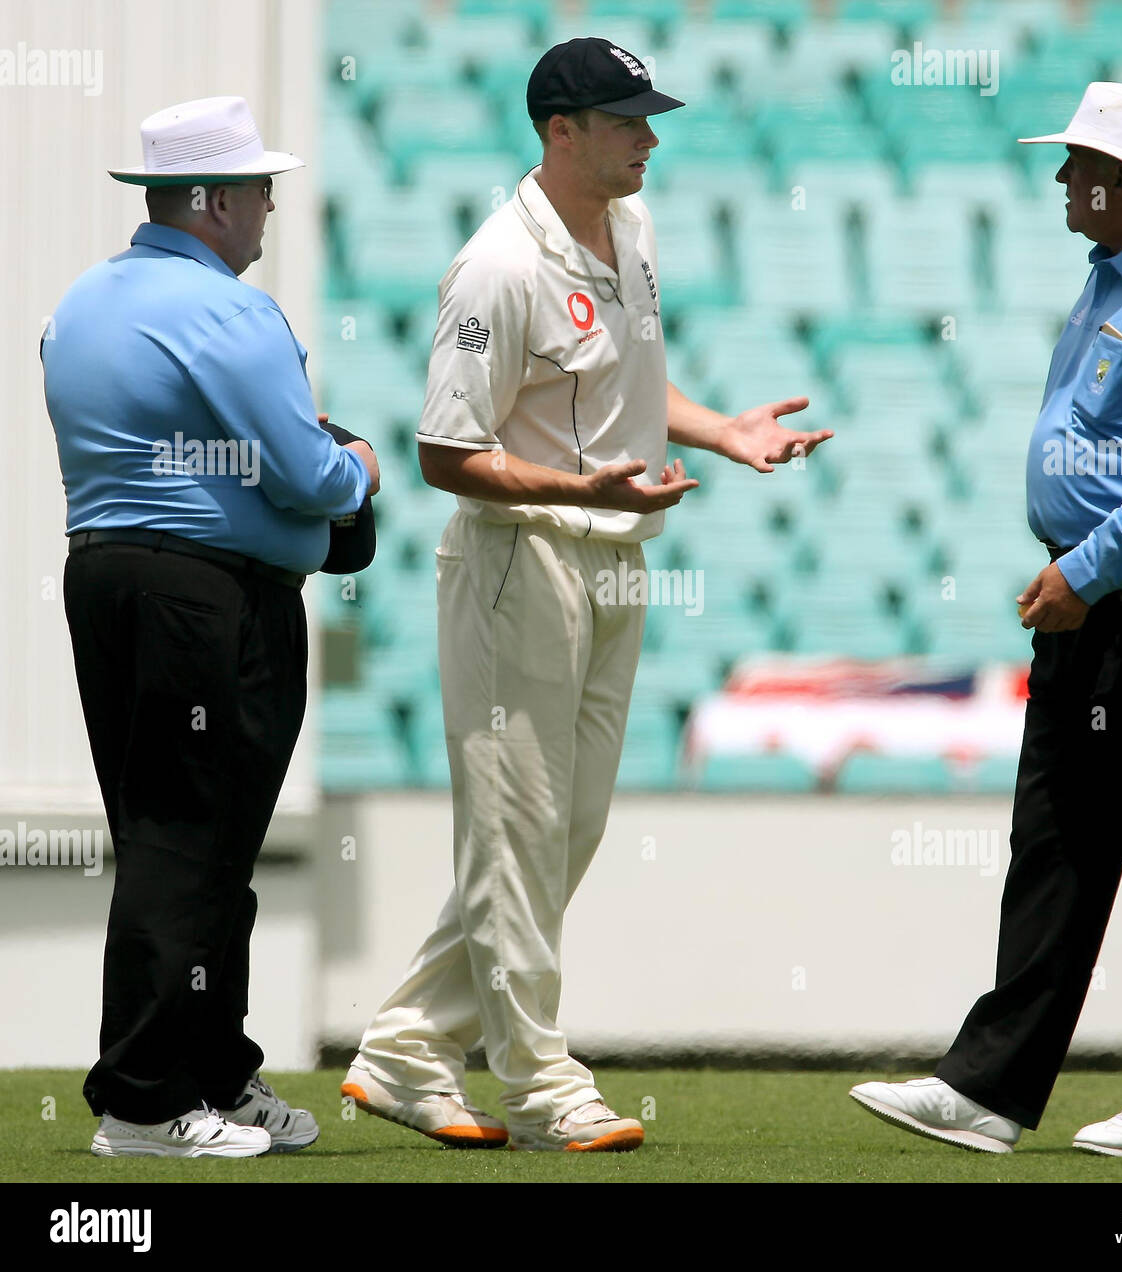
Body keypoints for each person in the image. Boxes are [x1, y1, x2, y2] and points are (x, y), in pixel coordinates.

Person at [342, 37, 832, 1152]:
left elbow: (634, 387)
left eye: (646, 118)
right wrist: (575, 486)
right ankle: (541, 1081)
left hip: (615, 552)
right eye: (625, 121)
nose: (648, 139)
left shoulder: (632, 227)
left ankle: (408, 1047)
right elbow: (439, 451)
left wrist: (724, 431)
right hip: (521, 556)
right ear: (559, 132)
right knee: (517, 830)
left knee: (566, 829)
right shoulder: (497, 268)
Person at [851, 83, 1122, 1157]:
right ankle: (990, 1084)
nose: (1058, 180)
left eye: (1076, 163)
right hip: (1104, 585)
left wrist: (1089, 568)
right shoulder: (1118, 278)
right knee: (1058, 835)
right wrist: (1078, 571)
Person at [43, 96, 381, 1158]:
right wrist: (360, 465)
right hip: (208, 602)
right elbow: (311, 476)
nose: (272, 206)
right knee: (192, 848)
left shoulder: (81, 302)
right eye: (260, 188)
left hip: (108, 582)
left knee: (186, 843)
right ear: (217, 201)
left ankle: (208, 1073)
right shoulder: (231, 312)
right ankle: (145, 1099)